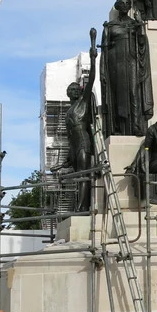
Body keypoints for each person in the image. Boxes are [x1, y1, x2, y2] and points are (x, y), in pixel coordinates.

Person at [100, 0, 153, 137]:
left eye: (127, 3)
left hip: (131, 62)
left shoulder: (135, 25)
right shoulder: (110, 26)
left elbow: (142, 42)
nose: (124, 6)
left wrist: (141, 24)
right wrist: (103, 71)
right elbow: (104, 51)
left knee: (134, 93)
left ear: (130, 7)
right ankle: (118, 127)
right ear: (117, 6)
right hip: (115, 64)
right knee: (117, 95)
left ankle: (136, 125)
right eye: (121, 3)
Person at [65, 28, 97, 213]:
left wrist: (93, 58)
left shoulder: (83, 102)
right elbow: (69, 137)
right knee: (78, 178)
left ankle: (83, 207)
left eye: (77, 89)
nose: (75, 91)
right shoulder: (69, 111)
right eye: (72, 90)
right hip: (75, 146)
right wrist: (67, 157)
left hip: (84, 144)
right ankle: (81, 206)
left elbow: (91, 79)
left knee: (84, 176)